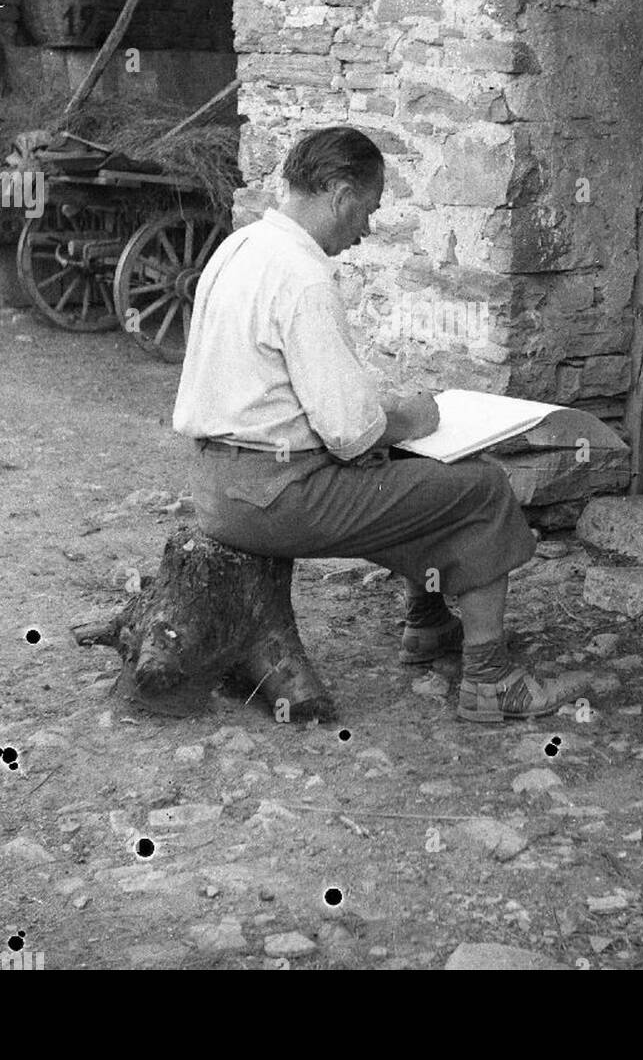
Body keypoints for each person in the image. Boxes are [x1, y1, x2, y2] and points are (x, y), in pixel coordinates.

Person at [174, 124, 583, 722]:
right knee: (483, 490)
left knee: (419, 471)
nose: (365, 229)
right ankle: (491, 683)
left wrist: (387, 429)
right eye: (366, 210)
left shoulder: (242, 247)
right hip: (273, 494)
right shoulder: (304, 275)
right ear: (340, 194)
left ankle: (429, 624)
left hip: (220, 481)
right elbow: (350, 431)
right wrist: (414, 414)